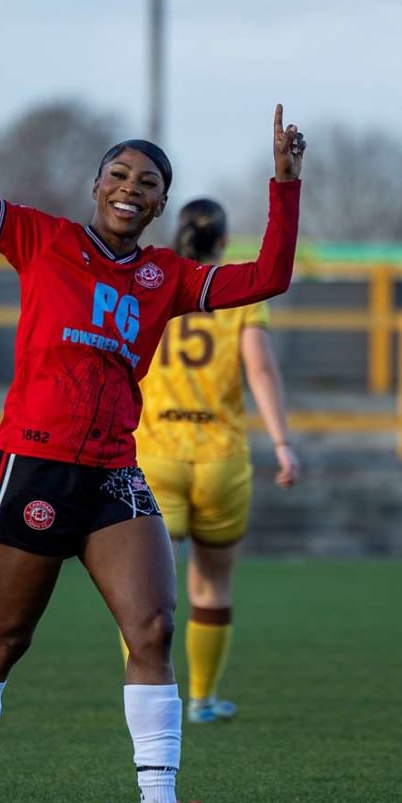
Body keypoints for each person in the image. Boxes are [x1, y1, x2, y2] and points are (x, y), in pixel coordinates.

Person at [0, 12, 306, 803]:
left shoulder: (165, 275)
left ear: (163, 203)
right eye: (119, 173)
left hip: (111, 471)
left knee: (155, 628)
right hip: (34, 462)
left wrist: (284, 185)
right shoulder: (42, 239)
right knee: (6, 639)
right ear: (96, 184)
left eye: (149, 181)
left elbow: (270, 274)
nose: (132, 186)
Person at [130, 198, 299, 724]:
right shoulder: (239, 294)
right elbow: (262, 372)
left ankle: (145, 700)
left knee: (142, 591)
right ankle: (202, 699)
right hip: (221, 456)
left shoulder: (152, 280)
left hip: (154, 455)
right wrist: (282, 443)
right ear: (223, 243)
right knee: (212, 584)